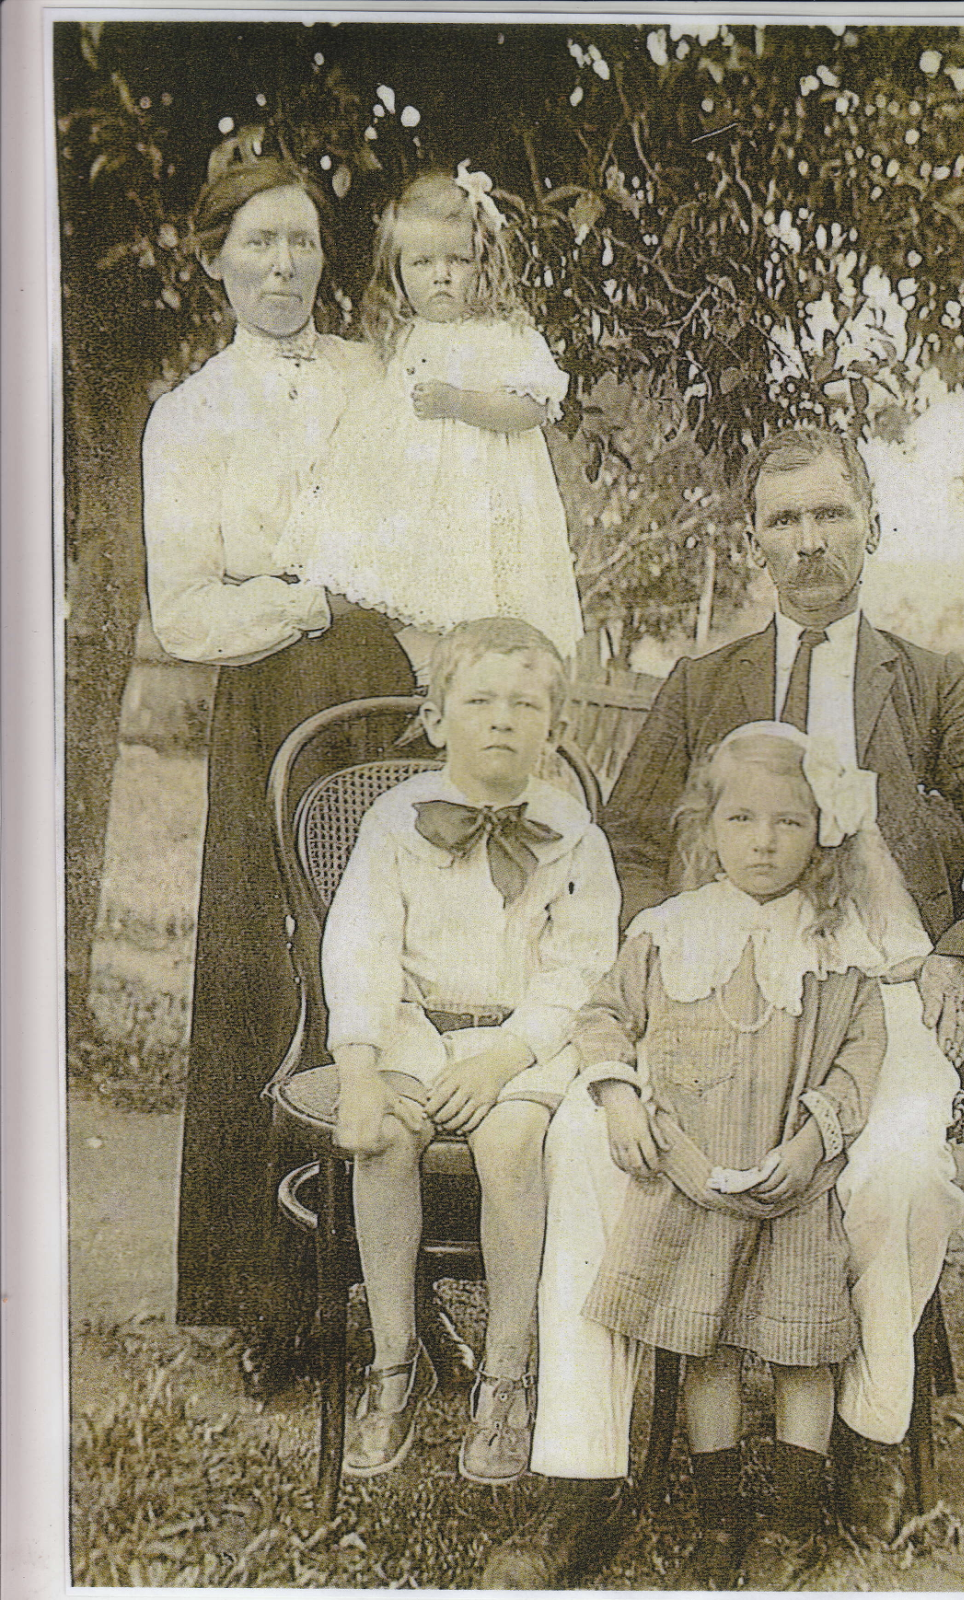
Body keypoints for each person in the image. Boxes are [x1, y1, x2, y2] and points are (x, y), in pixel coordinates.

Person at [484, 424, 964, 1586]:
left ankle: (866, 1434)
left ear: (873, 526)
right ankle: (580, 1473)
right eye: (783, 520)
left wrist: (961, 964)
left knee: (894, 1171)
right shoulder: (703, 686)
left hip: (882, 998)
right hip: (710, 1001)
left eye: (829, 514)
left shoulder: (932, 686)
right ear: (754, 541)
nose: (808, 541)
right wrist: (667, 959)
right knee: (590, 1145)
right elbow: (632, 845)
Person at [143, 156, 416, 1394]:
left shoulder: (375, 378)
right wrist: (304, 598)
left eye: (302, 242)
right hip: (271, 695)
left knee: (393, 952)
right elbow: (187, 611)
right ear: (213, 258)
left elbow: (430, 519)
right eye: (257, 242)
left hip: (386, 688)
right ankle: (271, 1298)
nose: (283, 265)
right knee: (275, 970)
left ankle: (400, 1282)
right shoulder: (189, 415)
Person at [321, 618, 619, 1484]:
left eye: (524, 705)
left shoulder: (574, 838)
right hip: (413, 1028)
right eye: (478, 700)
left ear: (553, 727)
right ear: (437, 716)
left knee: (510, 1142)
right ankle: (391, 1362)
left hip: (527, 1042)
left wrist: (503, 1058)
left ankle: (507, 1373)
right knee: (380, 1138)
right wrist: (359, 1067)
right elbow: (361, 947)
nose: (500, 720)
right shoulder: (393, 823)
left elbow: (580, 971)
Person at [273, 164, 584, 665]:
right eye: (421, 263)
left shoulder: (504, 334)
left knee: (475, 596)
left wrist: (461, 403)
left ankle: (454, 673)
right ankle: (413, 671)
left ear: (484, 264)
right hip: (413, 496)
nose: (441, 275)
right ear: (397, 273)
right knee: (405, 595)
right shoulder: (404, 337)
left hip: (478, 493)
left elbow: (531, 408)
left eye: (458, 260)